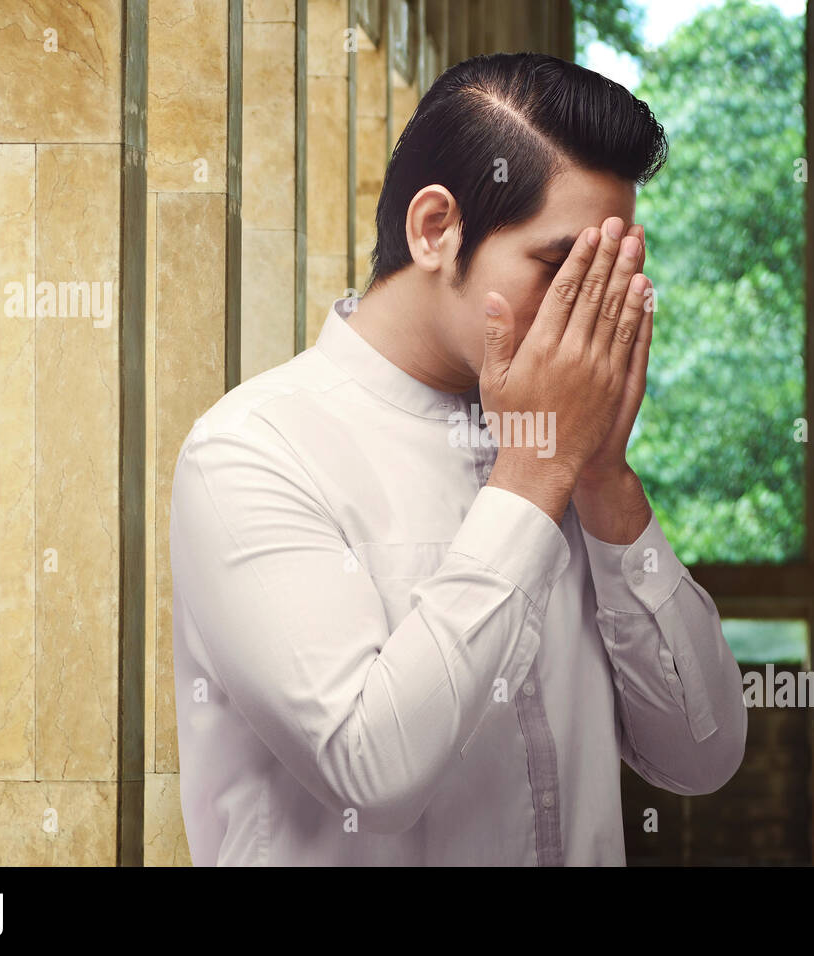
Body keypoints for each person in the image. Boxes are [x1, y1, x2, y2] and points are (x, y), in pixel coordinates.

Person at [170, 51, 747, 866]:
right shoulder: (252, 452)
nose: (591, 315)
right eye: (562, 269)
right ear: (435, 228)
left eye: (613, 277)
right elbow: (372, 772)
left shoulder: (564, 447)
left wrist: (602, 478)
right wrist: (535, 478)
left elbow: (702, 754)